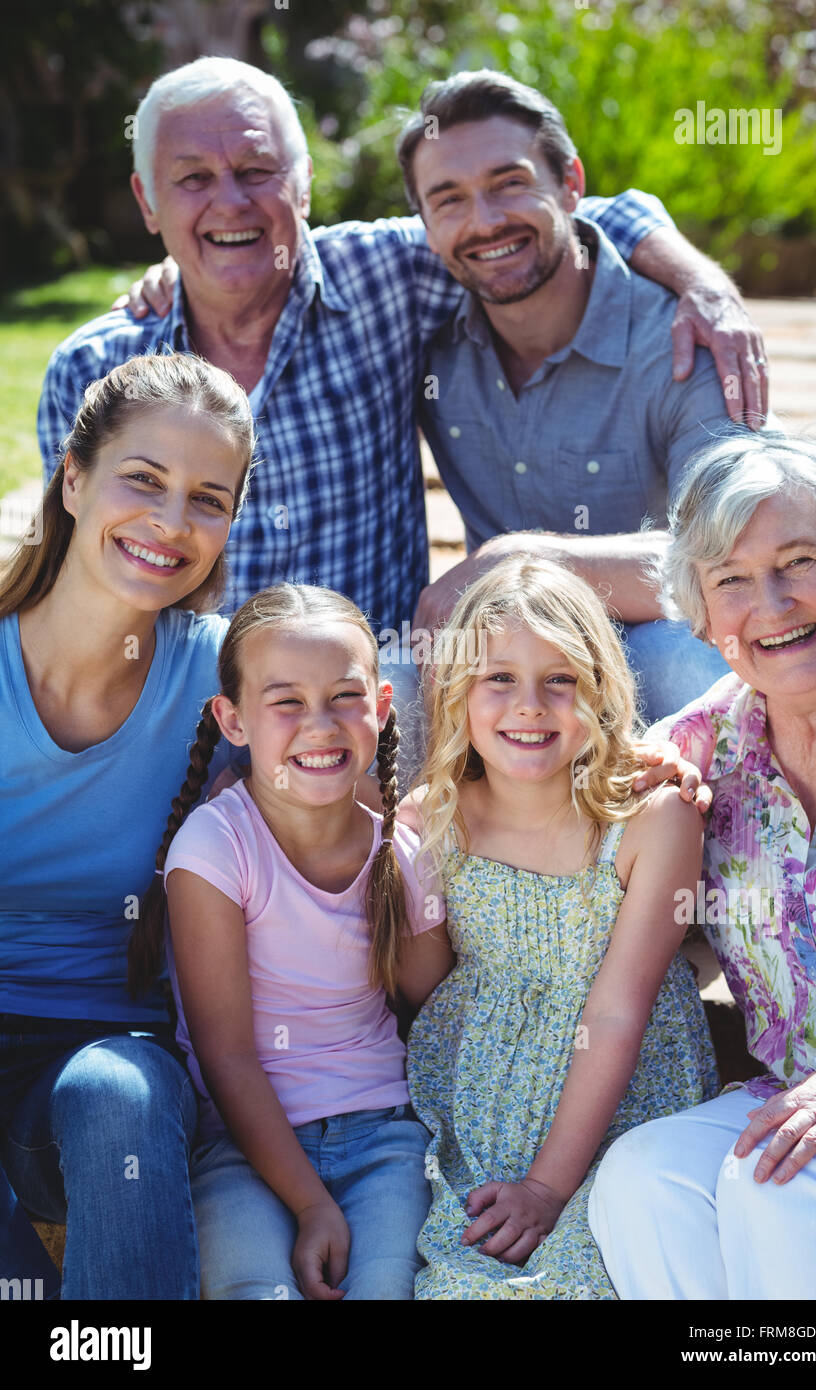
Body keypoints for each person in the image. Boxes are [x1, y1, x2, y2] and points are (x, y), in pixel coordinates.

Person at [55, 55, 767, 651]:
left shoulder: (387, 276)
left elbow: (559, 224)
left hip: (377, 700)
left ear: (304, 185)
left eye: (256, 169)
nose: (231, 202)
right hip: (181, 706)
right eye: (193, 180)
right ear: (148, 203)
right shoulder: (94, 374)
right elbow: (70, 584)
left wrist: (705, 283)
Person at [587, 431, 816, 1300]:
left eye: (799, 560)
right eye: (732, 581)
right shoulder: (704, 750)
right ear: (703, 619)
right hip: (790, 1099)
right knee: (641, 1178)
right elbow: (543, 809)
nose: (772, 603)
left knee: (777, 1187)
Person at [0, 354, 254, 1298]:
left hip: (102, 1050)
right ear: (73, 479)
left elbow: (365, 763)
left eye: (207, 498)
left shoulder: (223, 675)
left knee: (120, 1103)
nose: (170, 523)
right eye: (141, 481)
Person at [397, 555, 719, 1299]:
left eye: (560, 680)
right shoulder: (436, 817)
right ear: (458, 696)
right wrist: (406, 868)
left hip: (619, 1105)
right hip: (477, 1096)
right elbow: (422, 985)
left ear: (599, 691)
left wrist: (546, 1187)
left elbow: (615, 1012)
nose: (529, 706)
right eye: (499, 679)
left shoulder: (651, 821)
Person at [138, 584, 454, 1300]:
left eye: (345, 697)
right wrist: (311, 1203)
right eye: (286, 702)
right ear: (234, 720)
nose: (320, 725)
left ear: (379, 708)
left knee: (386, 1290)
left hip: (384, 1138)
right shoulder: (216, 850)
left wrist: (419, 858)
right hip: (244, 1144)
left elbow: (427, 992)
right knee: (255, 1290)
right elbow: (225, 1053)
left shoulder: (396, 849)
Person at [399, 71, 743, 724]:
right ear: (423, 226)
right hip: (513, 651)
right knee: (393, 688)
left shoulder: (683, 336)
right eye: (449, 200)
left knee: (689, 666)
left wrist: (519, 559)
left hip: (660, 633)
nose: (485, 220)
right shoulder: (422, 336)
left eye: (511, 182)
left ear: (572, 184)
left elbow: (736, 553)